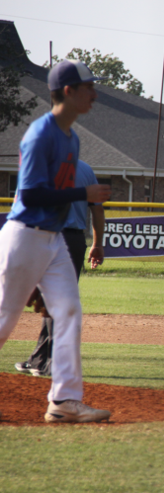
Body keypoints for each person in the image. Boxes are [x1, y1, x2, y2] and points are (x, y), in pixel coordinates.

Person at [0, 59, 112, 423]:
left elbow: (58, 197)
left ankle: (63, 402)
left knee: (67, 311)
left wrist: (44, 270)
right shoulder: (40, 135)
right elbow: (30, 196)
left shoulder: (72, 138)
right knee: (4, 318)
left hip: (53, 241)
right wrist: (85, 191)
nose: (94, 94)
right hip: (24, 236)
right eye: (88, 87)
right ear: (68, 91)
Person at [15, 160, 105, 378]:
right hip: (72, 241)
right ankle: (41, 360)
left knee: (48, 302)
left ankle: (49, 363)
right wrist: (98, 244)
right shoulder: (85, 169)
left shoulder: (39, 166)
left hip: (43, 237)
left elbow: (23, 205)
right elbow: (97, 210)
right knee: (54, 301)